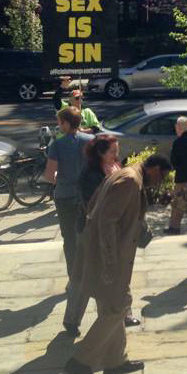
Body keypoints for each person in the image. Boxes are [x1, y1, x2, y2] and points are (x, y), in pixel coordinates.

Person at [63, 154, 171, 374]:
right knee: (118, 306)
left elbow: (93, 205)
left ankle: (115, 360)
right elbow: (106, 220)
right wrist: (110, 261)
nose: (161, 181)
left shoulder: (127, 174)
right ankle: (81, 360)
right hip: (108, 258)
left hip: (104, 254)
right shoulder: (131, 180)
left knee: (112, 305)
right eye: (161, 175)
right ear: (153, 168)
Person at [63, 135, 140, 336]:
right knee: (83, 277)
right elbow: (93, 206)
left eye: (117, 150)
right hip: (90, 232)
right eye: (113, 151)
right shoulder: (89, 176)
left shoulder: (117, 168)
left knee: (120, 271)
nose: (117, 155)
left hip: (114, 231)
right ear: (100, 153)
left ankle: (124, 312)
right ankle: (72, 320)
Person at [43, 106, 93, 278]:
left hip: (65, 196)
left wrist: (59, 178)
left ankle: (74, 276)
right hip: (88, 196)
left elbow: (50, 175)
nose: (58, 125)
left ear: (65, 123)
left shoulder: (57, 144)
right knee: (88, 236)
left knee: (70, 239)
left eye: (60, 122)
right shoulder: (91, 140)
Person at [166, 116, 187, 236]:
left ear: (180, 127)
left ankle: (174, 227)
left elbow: (174, 160)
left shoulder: (178, 142)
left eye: (177, 126)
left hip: (182, 177)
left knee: (178, 203)